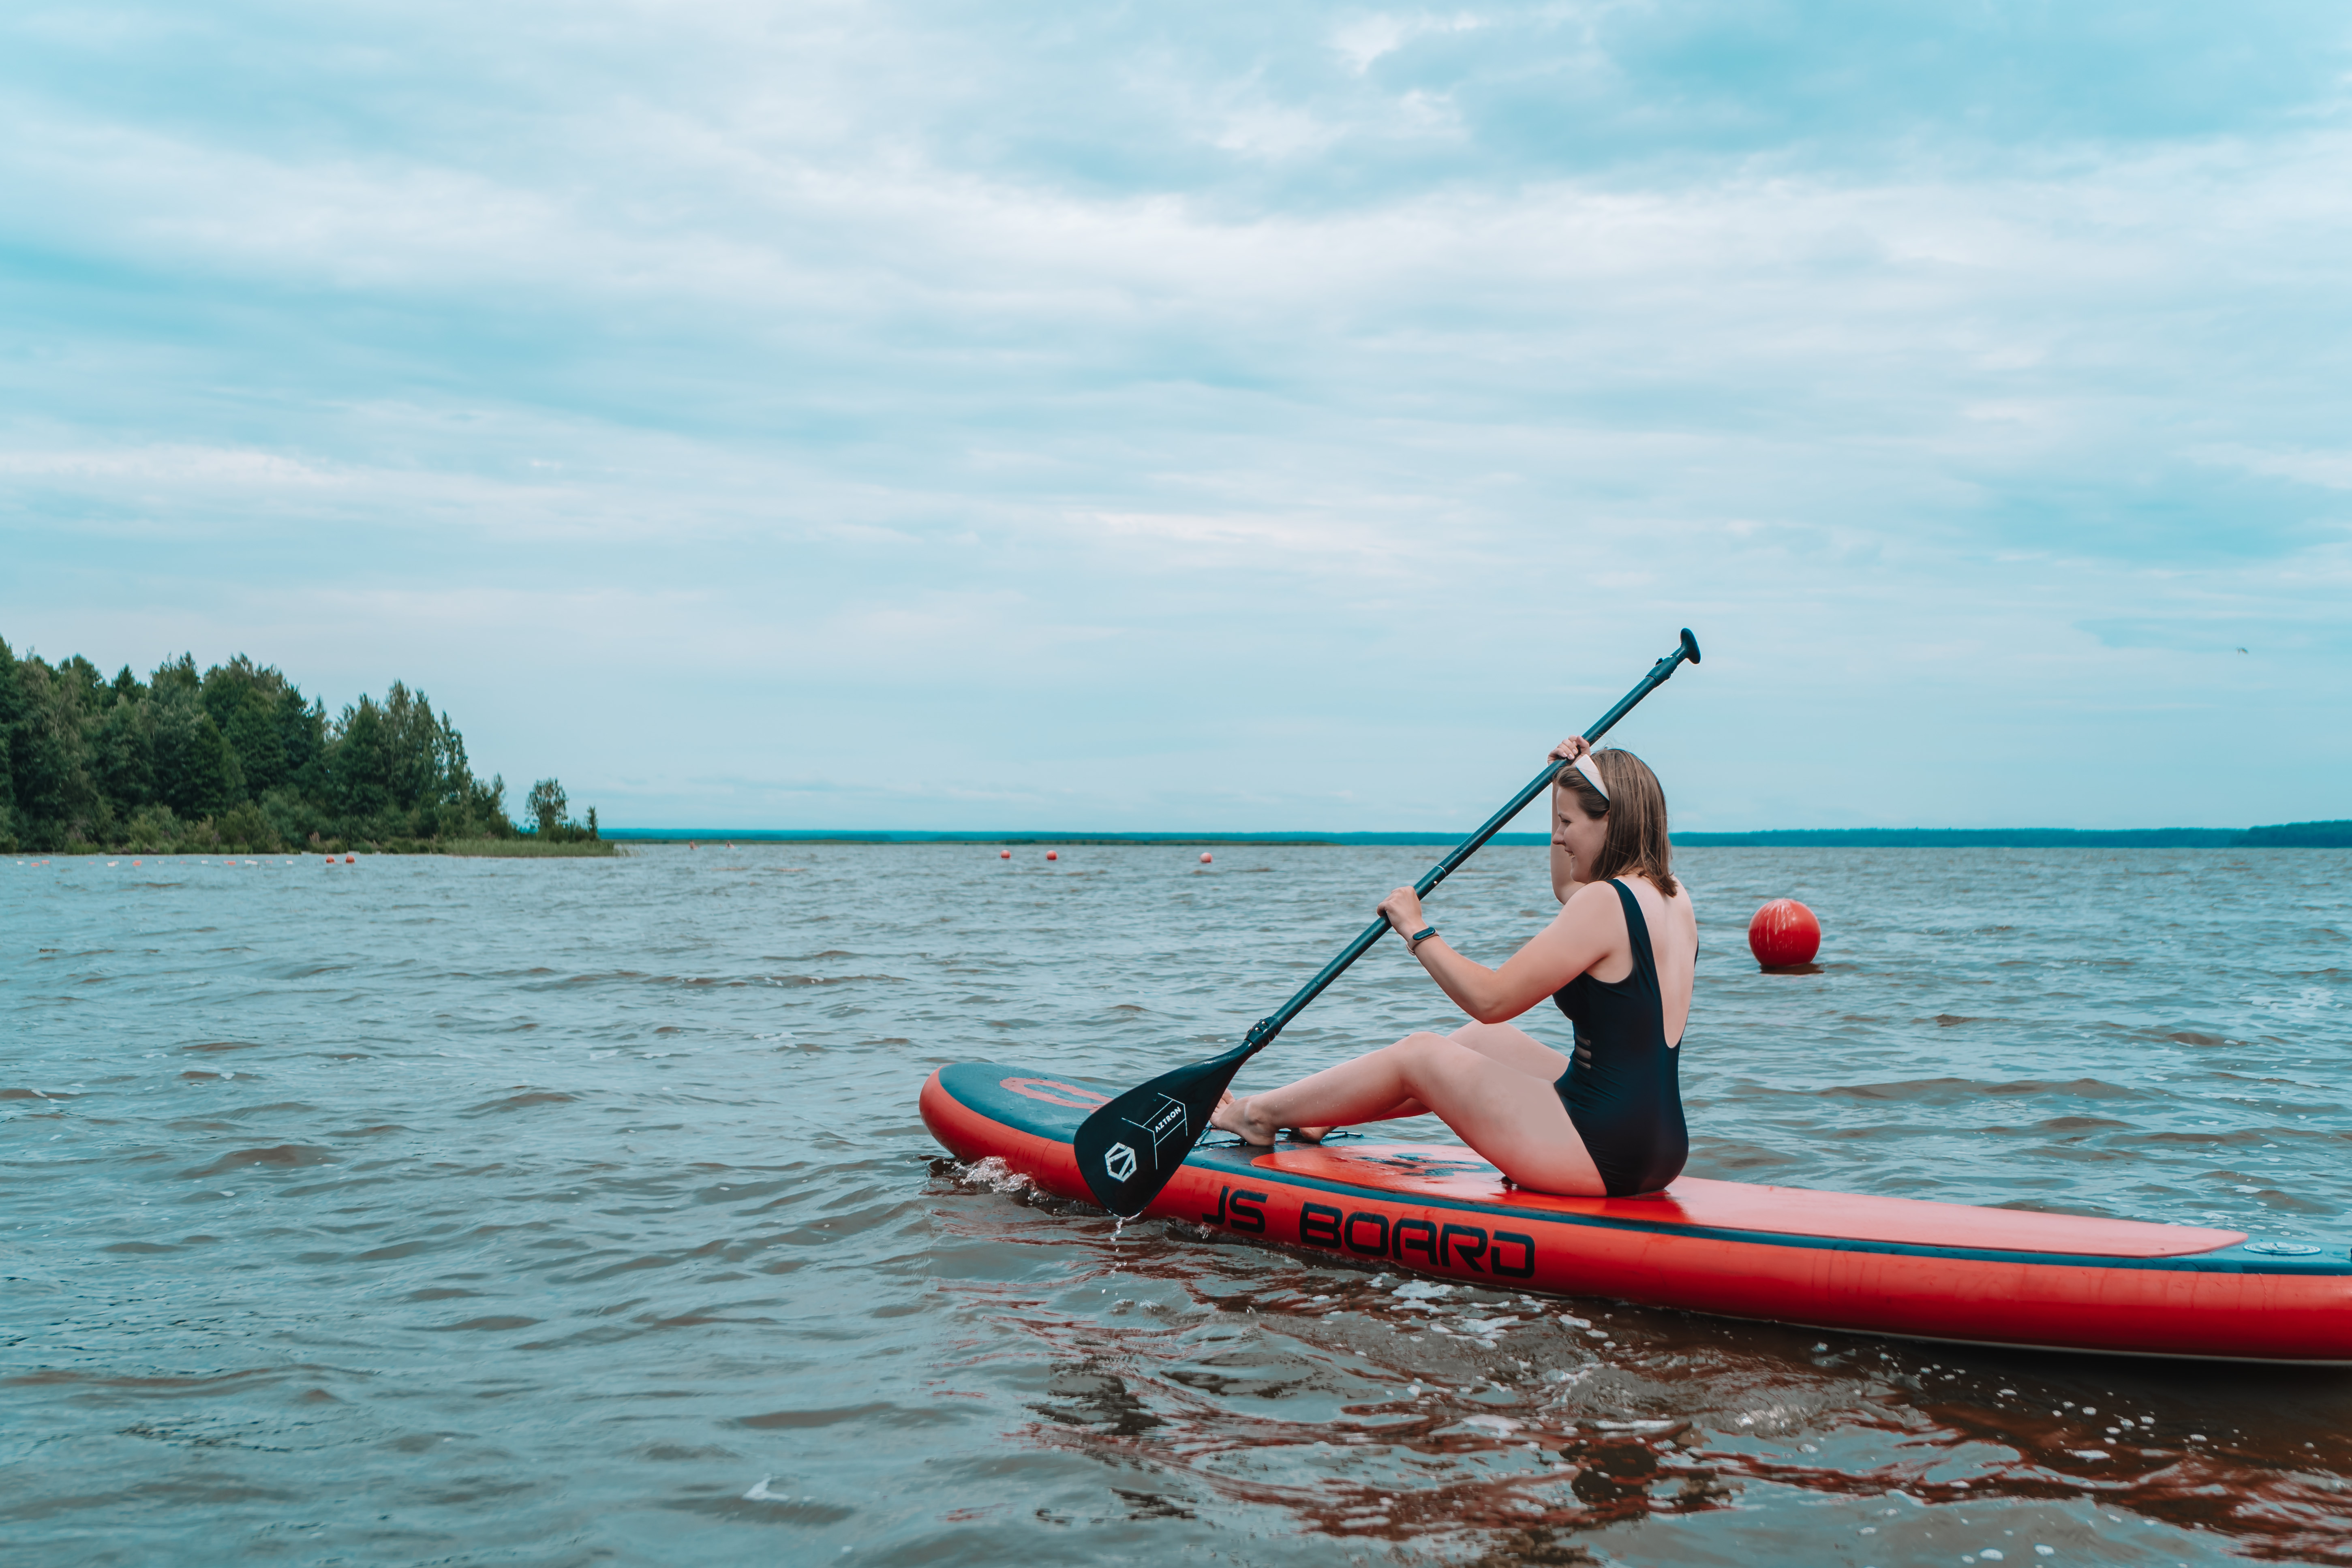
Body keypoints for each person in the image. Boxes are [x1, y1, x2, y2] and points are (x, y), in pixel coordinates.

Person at [1208, 736, 1695, 1198]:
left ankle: (1256, 1114)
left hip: (1600, 1148)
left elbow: (1491, 999)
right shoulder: (1670, 897)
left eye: (1567, 823)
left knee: (1419, 1055)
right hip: (1658, 1144)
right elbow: (1568, 886)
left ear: (1609, 821)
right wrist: (1560, 783)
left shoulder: (1603, 904)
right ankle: (1317, 1115)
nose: (1558, 835)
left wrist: (1416, 930)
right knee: (1480, 1043)